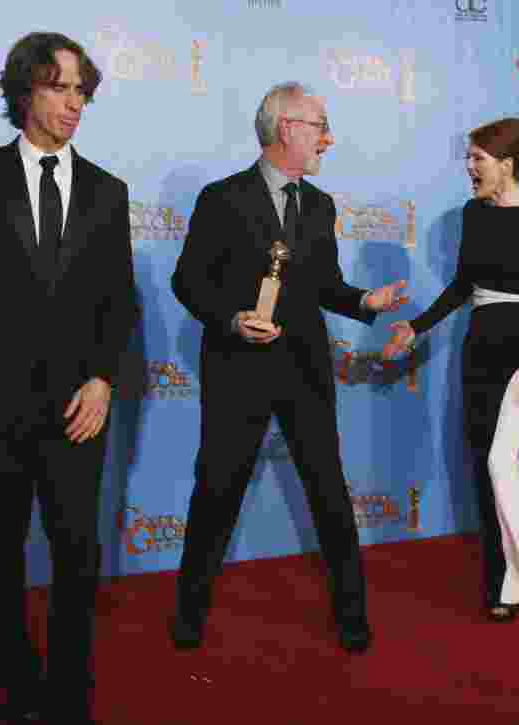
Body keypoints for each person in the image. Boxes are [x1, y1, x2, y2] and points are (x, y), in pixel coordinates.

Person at [0, 32, 138, 725]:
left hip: (79, 410)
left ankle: (70, 695)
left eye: (83, 90)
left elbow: (117, 301)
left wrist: (104, 379)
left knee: (78, 558)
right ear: (25, 91)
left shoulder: (109, 191)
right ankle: (17, 691)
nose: (75, 103)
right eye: (61, 87)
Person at [170, 81, 407, 654]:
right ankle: (188, 616)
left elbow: (324, 285)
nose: (328, 138)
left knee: (329, 492)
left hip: (305, 371)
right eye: (319, 125)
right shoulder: (221, 198)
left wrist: (364, 304)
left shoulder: (320, 204)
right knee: (216, 492)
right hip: (237, 372)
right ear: (286, 128)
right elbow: (188, 282)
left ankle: (353, 618)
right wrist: (231, 319)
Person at [384, 118, 519, 622]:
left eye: (477, 159)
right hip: (479, 347)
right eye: (469, 158)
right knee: (480, 462)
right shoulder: (475, 213)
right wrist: (416, 327)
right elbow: (462, 286)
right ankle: (501, 582)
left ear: (506, 165)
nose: (468, 168)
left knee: (499, 460)